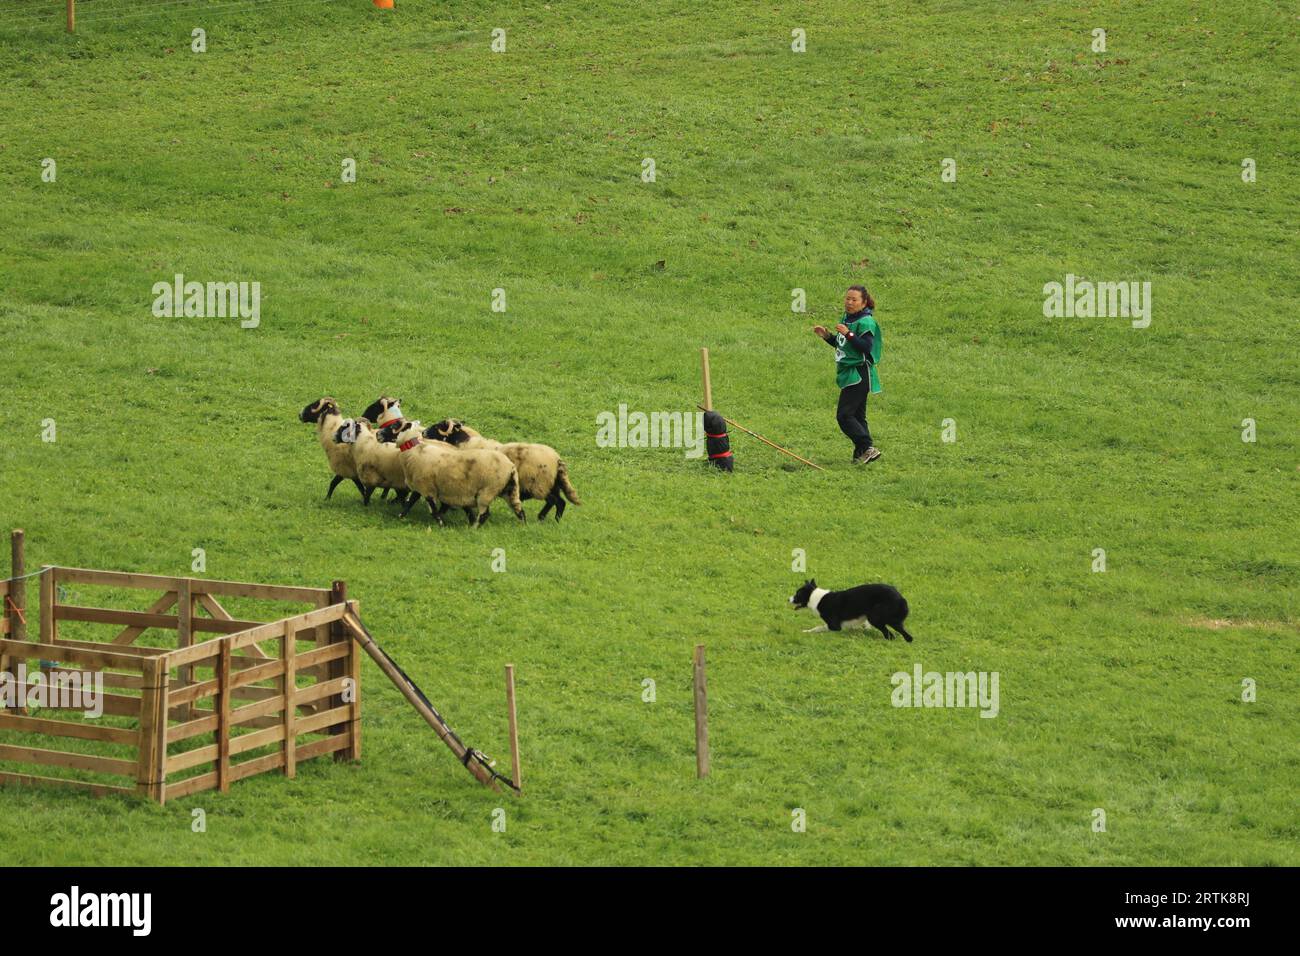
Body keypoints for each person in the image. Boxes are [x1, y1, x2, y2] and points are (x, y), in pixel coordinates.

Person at [812, 285, 881, 464]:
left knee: (844, 415)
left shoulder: (866, 322)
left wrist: (848, 333)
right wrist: (827, 336)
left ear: (863, 302)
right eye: (847, 298)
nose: (849, 302)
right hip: (849, 373)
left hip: (858, 374)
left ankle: (867, 447)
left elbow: (865, 347)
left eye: (854, 300)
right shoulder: (848, 318)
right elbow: (844, 347)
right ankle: (861, 455)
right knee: (858, 416)